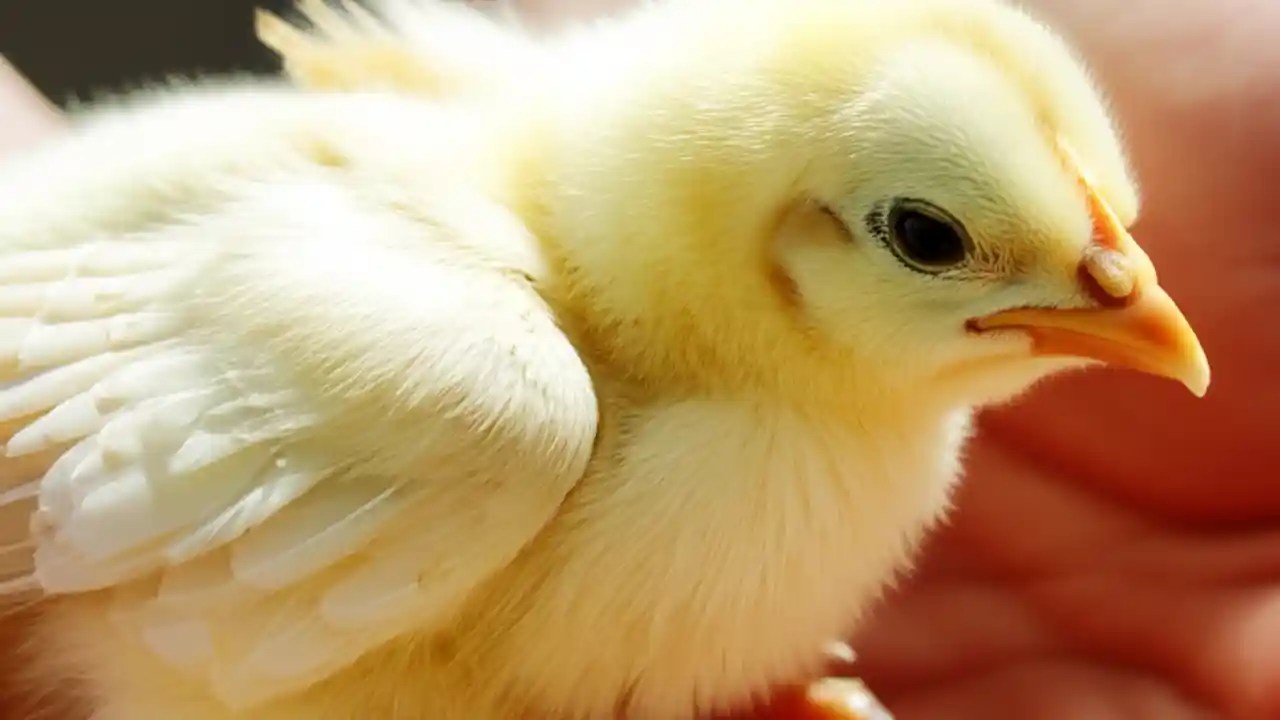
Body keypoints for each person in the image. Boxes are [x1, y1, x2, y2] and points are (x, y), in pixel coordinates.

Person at [0, 0, 1275, 717]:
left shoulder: (842, 397)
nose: (1139, 308)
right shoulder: (453, 379)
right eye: (933, 239)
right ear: (779, 243)